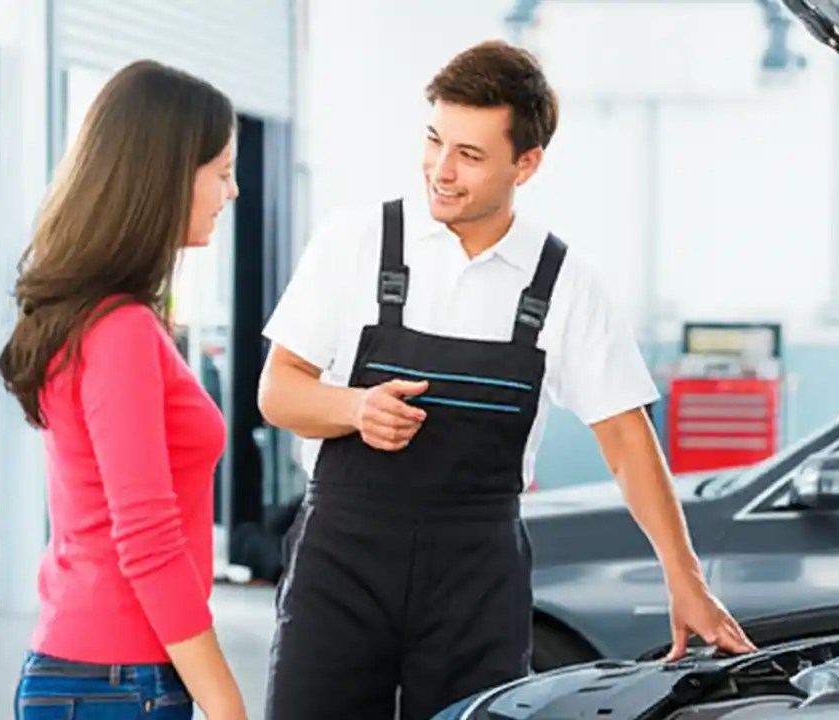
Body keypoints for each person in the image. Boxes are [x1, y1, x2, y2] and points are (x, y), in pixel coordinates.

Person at [257, 39, 756, 720]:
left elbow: (625, 437)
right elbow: (278, 390)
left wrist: (684, 576)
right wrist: (353, 408)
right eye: (435, 140)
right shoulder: (357, 242)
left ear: (527, 163)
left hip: (475, 575)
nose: (441, 170)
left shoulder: (564, 284)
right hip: (342, 564)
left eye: (469, 155)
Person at [0, 60, 247, 720]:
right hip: (115, 680)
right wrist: (225, 704)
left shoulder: (107, 319)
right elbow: (147, 536)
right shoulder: (120, 329)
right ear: (165, 176)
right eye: (221, 172)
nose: (234, 191)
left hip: (109, 675)